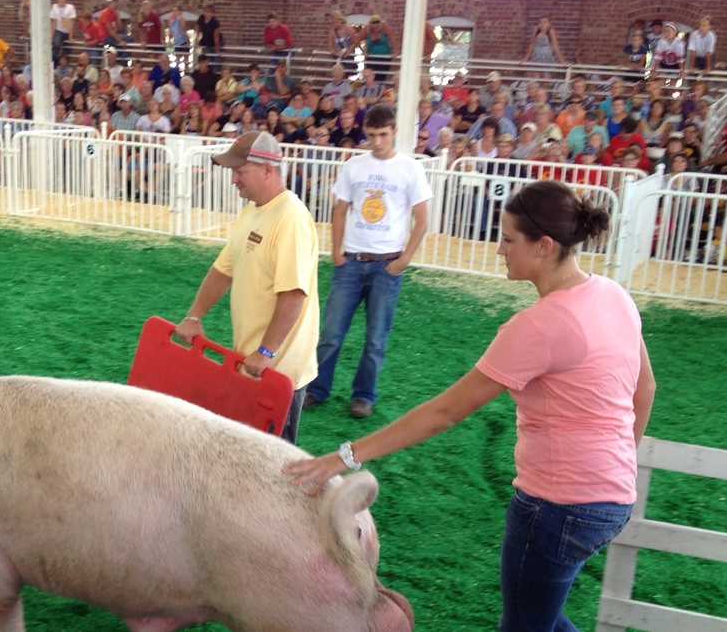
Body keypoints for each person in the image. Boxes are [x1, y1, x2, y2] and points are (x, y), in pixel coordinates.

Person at [285, 179, 656, 632]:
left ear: (543, 246)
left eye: (507, 239)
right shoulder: (614, 295)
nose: (500, 249)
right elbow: (646, 389)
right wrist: (615, 462)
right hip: (614, 498)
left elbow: (446, 413)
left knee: (524, 624)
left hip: (558, 505)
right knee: (537, 616)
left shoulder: (538, 326)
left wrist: (346, 455)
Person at [175, 132, 319, 444]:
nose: (234, 181)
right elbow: (222, 270)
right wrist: (195, 316)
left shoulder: (291, 218)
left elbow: (294, 294)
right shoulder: (253, 211)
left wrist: (266, 351)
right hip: (252, 361)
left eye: (240, 173)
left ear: (269, 170)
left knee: (275, 460)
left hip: (280, 368)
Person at [303, 105, 430, 418]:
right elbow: (340, 209)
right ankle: (318, 389)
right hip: (352, 260)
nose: (377, 141)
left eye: (383, 135)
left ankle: (364, 396)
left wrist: (404, 260)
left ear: (394, 132)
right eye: (372, 135)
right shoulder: (353, 166)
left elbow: (423, 218)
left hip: (387, 264)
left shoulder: (410, 168)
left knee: (376, 338)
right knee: (331, 334)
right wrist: (336, 252)